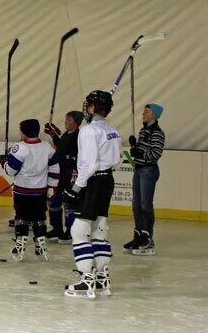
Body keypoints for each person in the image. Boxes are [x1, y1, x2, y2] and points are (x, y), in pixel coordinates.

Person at [63, 90, 120, 299]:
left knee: (79, 231)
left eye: (88, 105)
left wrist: (76, 188)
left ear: (93, 108)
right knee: (99, 229)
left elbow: (89, 164)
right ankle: (102, 277)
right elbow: (116, 161)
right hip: (107, 180)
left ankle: (86, 279)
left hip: (93, 182)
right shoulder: (113, 130)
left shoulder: (88, 131)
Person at [0, 119, 59, 262]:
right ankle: (41, 246)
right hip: (40, 190)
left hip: (22, 191)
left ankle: (20, 246)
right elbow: (55, 168)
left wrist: (4, 162)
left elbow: (11, 170)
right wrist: (52, 186)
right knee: (39, 217)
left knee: (21, 216)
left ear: (24, 131)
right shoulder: (47, 147)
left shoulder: (20, 148)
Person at [124, 103, 165, 255]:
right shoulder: (143, 131)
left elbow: (156, 153)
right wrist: (134, 146)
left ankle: (147, 236)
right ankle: (139, 234)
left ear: (154, 115)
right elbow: (140, 150)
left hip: (149, 170)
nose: (143, 114)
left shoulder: (157, 133)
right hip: (139, 169)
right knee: (136, 204)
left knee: (145, 203)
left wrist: (140, 153)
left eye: (147, 112)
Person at [44, 111, 84, 243]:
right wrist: (53, 134)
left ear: (76, 122)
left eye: (69, 120)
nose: (66, 122)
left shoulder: (79, 136)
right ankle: (57, 228)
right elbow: (61, 147)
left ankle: (71, 230)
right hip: (59, 174)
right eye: (66, 119)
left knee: (69, 203)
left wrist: (75, 175)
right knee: (54, 201)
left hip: (71, 174)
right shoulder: (66, 134)